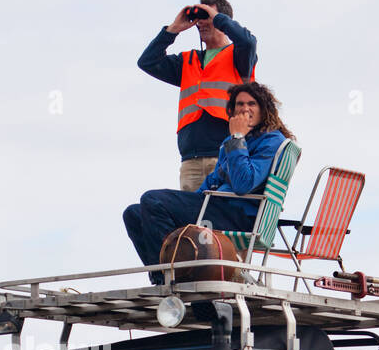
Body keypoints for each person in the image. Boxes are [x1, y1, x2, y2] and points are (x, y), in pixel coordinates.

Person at [123, 82, 294, 284]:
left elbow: (243, 184)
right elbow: (213, 182)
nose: (244, 109)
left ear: (264, 110)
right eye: (239, 104)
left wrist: (237, 137)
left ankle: (171, 276)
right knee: (134, 213)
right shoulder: (231, 142)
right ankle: (165, 276)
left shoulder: (271, 140)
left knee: (152, 199)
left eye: (252, 104)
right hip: (215, 205)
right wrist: (184, 206)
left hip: (238, 215)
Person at [137, 0, 258, 190]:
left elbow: (248, 42)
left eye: (206, 16)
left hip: (226, 153)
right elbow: (148, 62)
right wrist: (173, 29)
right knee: (191, 219)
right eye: (198, 18)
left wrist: (217, 18)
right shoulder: (188, 61)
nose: (200, 22)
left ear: (222, 20)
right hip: (190, 160)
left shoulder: (238, 55)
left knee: (219, 217)